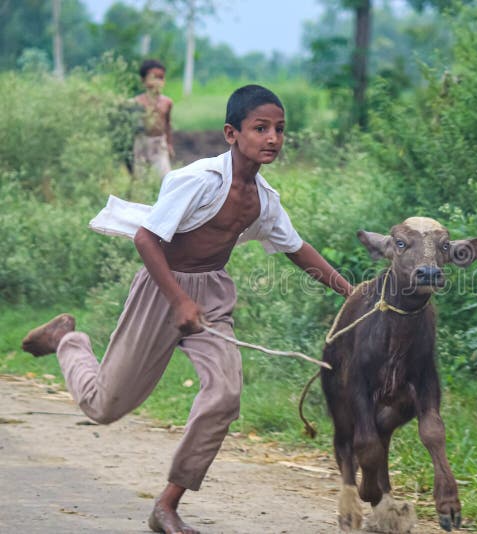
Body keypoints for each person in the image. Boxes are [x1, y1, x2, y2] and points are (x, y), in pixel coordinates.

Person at [21, 85, 354, 534]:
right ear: (231, 133)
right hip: (163, 290)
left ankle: (167, 504)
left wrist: (350, 293)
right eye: (261, 128)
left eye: (279, 129)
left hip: (212, 298)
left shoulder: (265, 200)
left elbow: (297, 249)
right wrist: (178, 298)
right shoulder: (198, 180)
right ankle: (68, 340)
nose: (273, 137)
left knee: (225, 395)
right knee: (103, 407)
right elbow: (145, 238)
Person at [133, 59, 174, 181]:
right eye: (154, 78)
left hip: (159, 144)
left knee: (165, 178)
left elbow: (167, 124)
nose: (157, 82)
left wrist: (169, 144)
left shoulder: (167, 102)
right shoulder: (137, 103)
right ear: (143, 80)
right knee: (140, 179)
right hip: (141, 143)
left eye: (161, 78)